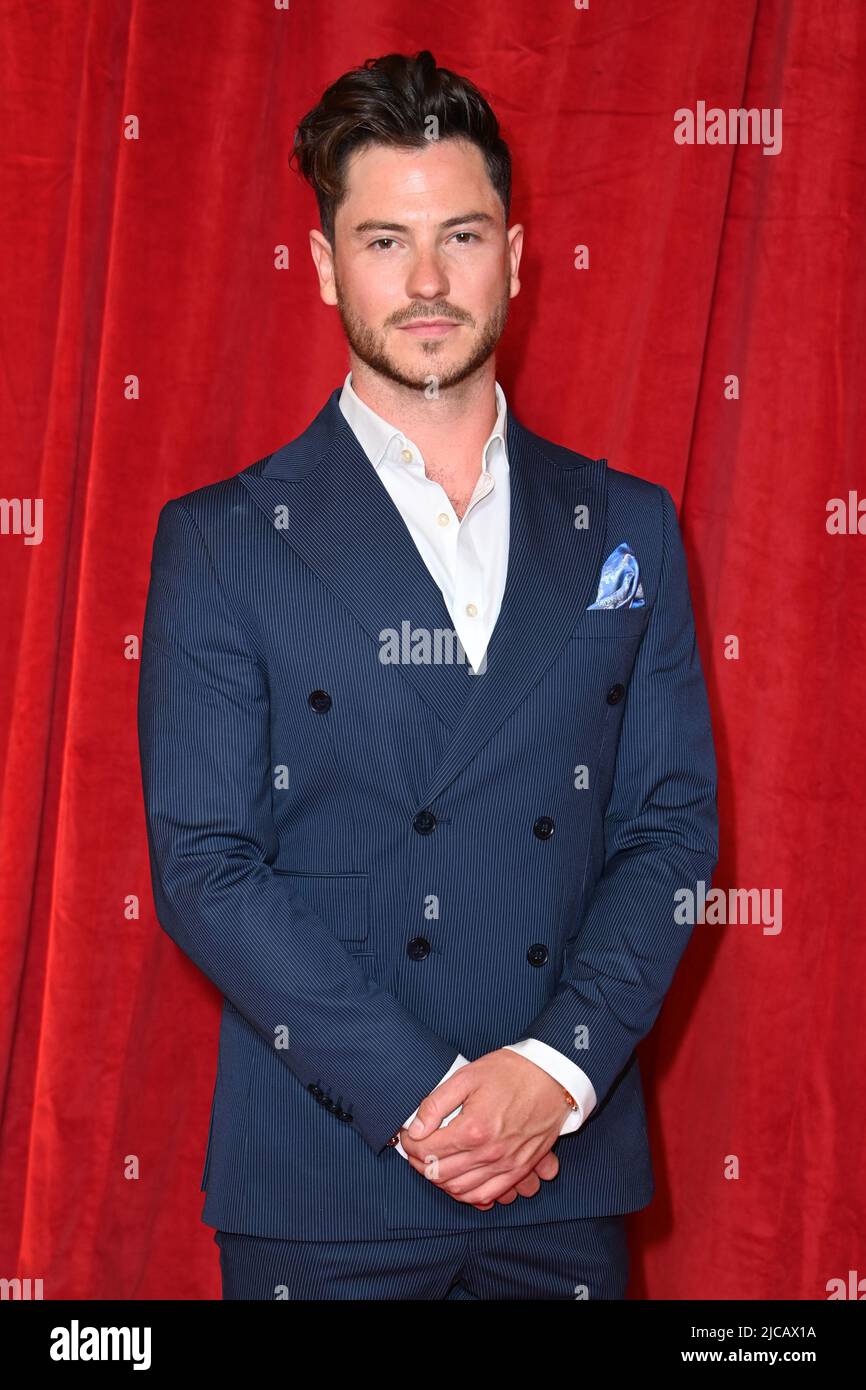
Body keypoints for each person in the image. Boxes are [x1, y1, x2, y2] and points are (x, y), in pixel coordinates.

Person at [137, 49, 718, 1301]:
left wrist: (550, 1075)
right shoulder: (223, 539)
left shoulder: (629, 524)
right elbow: (203, 865)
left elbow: (666, 831)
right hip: (324, 1179)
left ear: (514, 254)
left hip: (561, 1171)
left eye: (460, 234)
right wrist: (425, 1097)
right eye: (383, 239)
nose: (427, 281)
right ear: (323, 264)